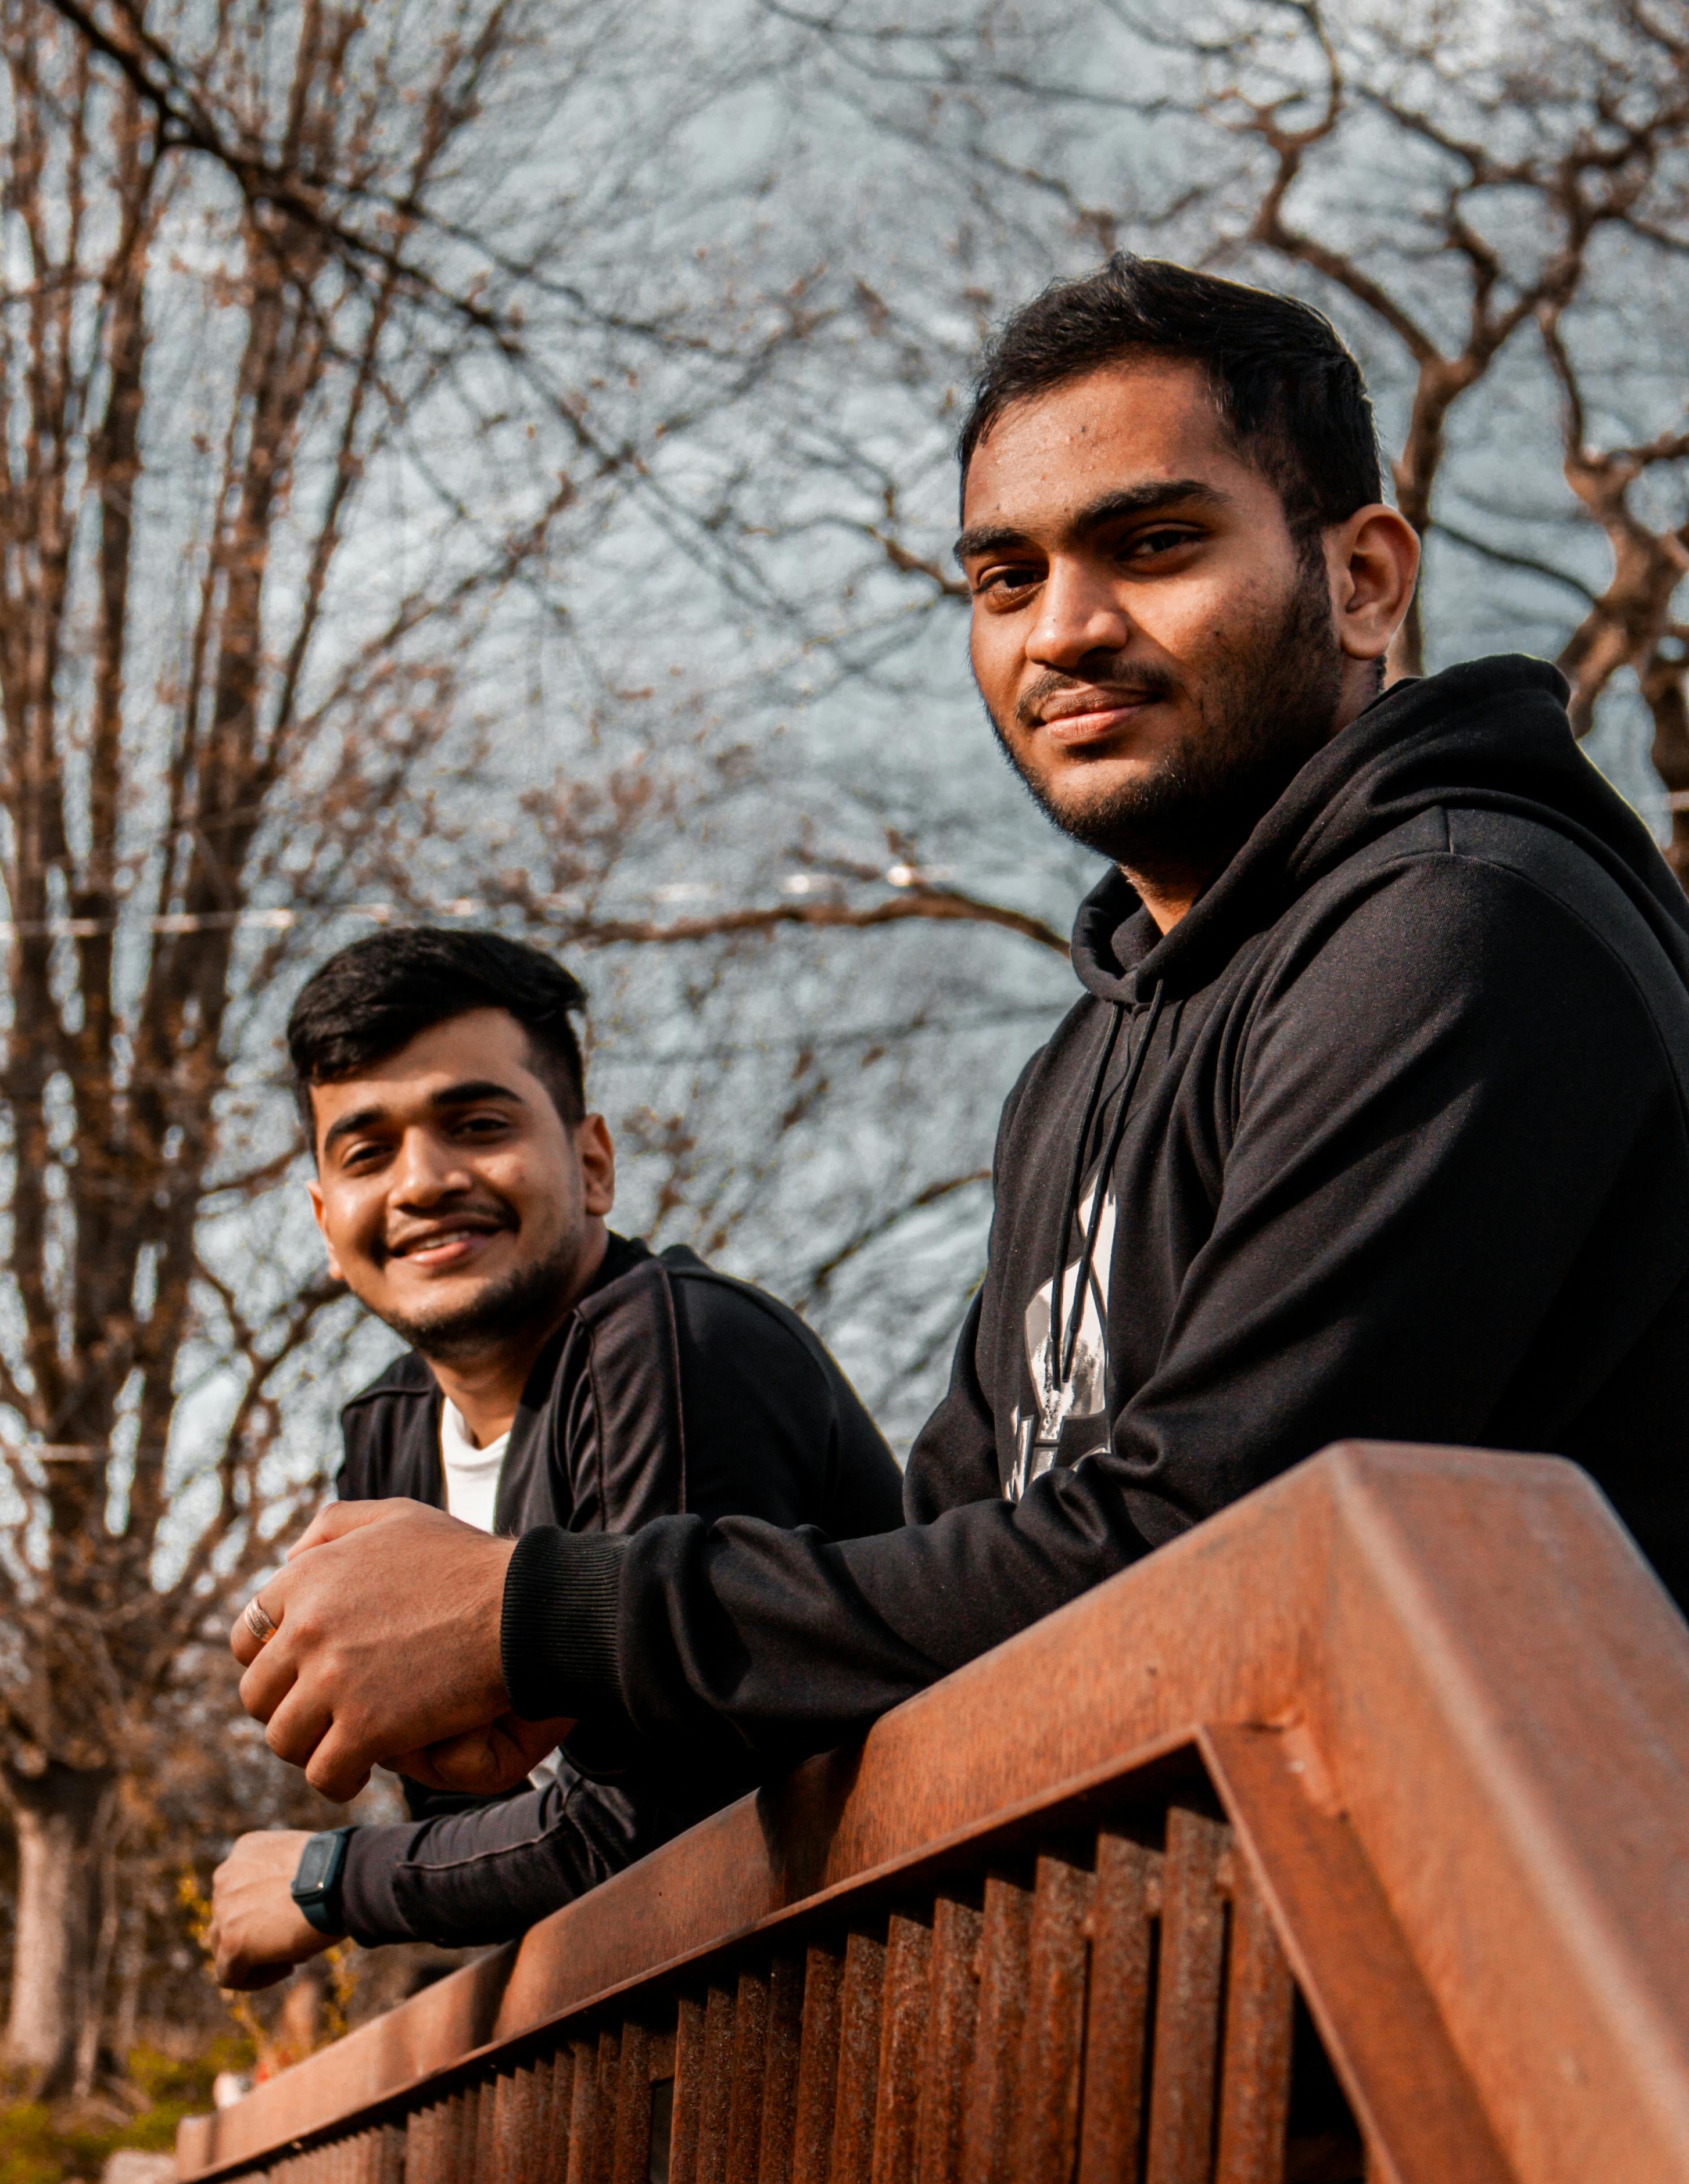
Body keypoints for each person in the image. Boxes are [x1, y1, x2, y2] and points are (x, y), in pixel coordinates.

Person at [225, 255, 1689, 1815]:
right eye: (1005, 580)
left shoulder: (1464, 926)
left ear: (1364, 579)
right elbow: (935, 1568)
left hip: (1546, 1988)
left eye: (1153, 544)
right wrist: (585, 1697)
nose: (1064, 629)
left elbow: (1210, 1555)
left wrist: (544, 1614)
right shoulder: (1075, 1073)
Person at [209, 929, 902, 1987]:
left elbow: (663, 1834)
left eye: (477, 1125)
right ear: (323, 1219)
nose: (424, 1181)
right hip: (652, 2043)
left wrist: (331, 1883)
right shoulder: (389, 1436)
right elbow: (470, 1823)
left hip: (855, 1999)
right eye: (366, 1152)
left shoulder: (672, 1343)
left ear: (591, 1163)